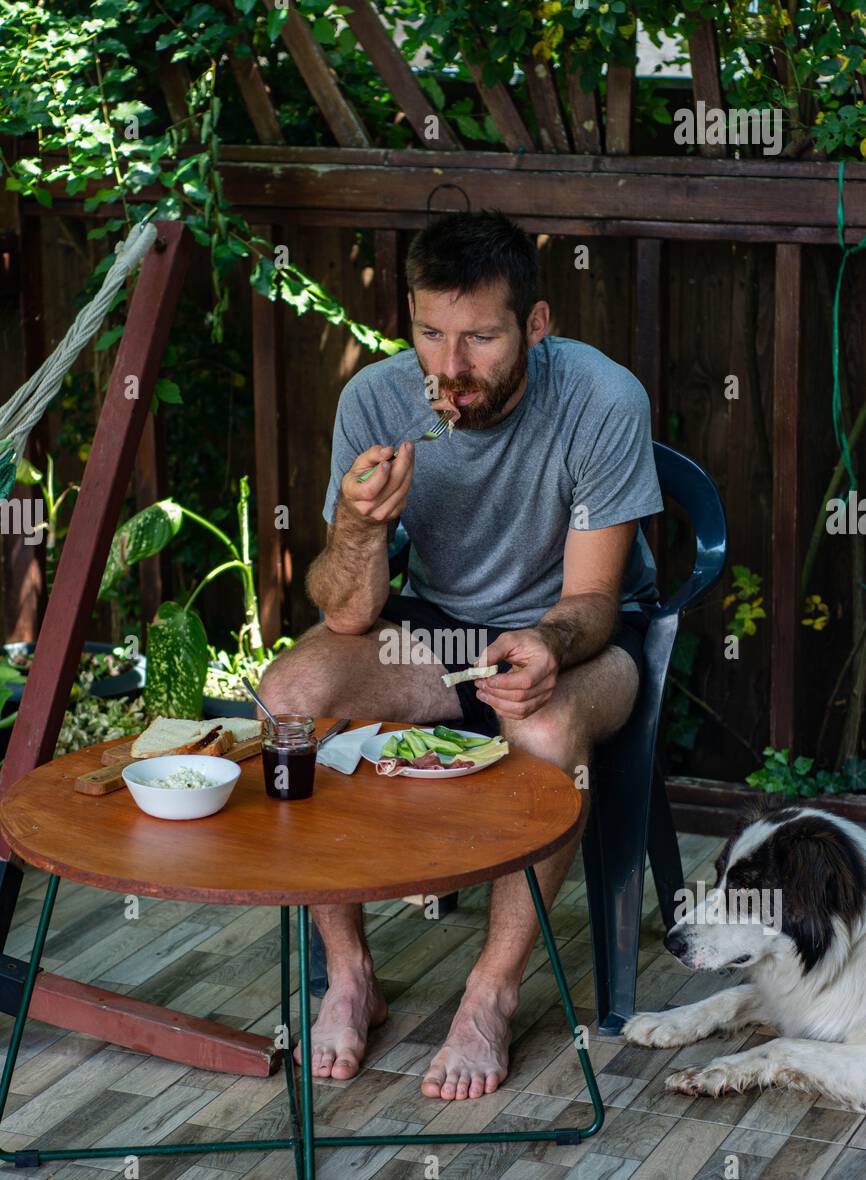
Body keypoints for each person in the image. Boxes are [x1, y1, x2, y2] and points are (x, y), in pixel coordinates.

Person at [260, 209, 663, 1102]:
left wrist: (547, 643)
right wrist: (359, 527)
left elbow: (595, 602)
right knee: (292, 690)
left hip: (579, 639)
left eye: (480, 336)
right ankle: (350, 971)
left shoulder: (602, 400)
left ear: (537, 323)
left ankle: (490, 993)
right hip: (435, 633)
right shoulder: (373, 397)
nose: (449, 368)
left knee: (551, 728)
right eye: (430, 334)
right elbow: (349, 607)